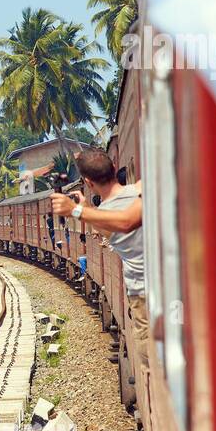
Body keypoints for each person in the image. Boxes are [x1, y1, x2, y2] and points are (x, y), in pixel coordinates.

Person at [51, 149, 148, 389]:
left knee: (153, 364)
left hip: (143, 294)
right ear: (115, 167)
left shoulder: (100, 219)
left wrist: (78, 210)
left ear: (88, 182)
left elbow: (116, 224)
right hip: (178, 285)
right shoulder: (142, 189)